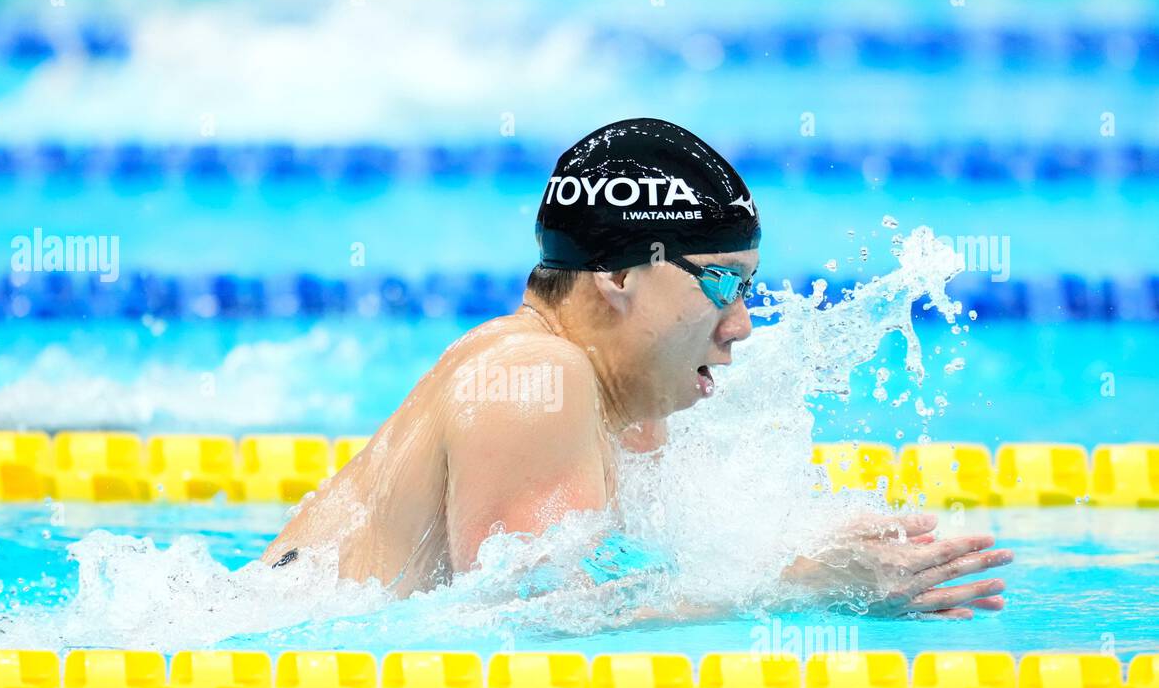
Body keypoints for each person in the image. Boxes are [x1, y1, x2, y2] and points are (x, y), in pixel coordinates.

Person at [262, 118, 1011, 618]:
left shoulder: (627, 404)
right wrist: (807, 586)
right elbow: (528, 619)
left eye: (746, 289)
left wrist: (807, 550)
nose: (742, 325)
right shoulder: (536, 375)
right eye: (720, 282)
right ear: (619, 275)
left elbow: (623, 576)